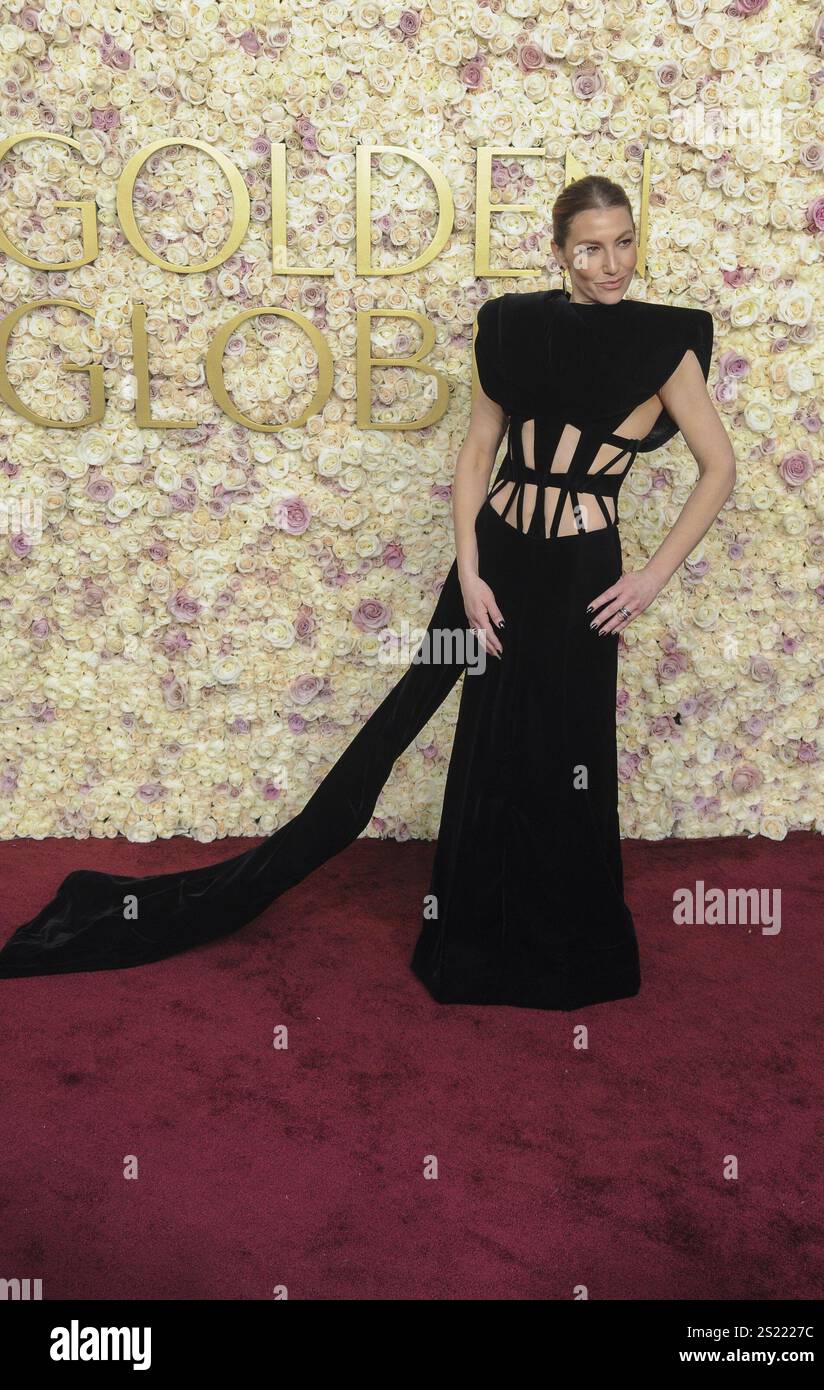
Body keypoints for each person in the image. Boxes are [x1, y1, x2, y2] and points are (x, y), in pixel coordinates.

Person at [0, 175, 736, 1009]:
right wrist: (468, 568)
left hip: (581, 577)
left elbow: (720, 469)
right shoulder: (512, 326)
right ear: (559, 251)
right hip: (494, 561)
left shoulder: (666, 342)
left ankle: (565, 944)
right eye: (591, 248)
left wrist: (651, 575)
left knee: (563, 747)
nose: (613, 265)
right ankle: (470, 935)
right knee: (482, 739)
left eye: (625, 242)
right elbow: (476, 455)